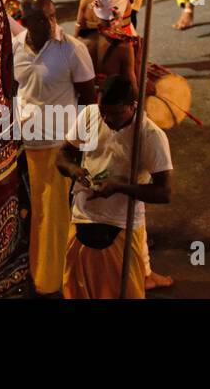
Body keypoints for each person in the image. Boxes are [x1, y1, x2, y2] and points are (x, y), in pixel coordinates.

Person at [57, 74, 173, 299]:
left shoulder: (150, 136)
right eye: (104, 112)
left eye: (116, 113)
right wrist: (74, 171)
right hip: (83, 216)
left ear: (132, 106)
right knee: (78, 291)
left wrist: (120, 187)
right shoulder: (91, 114)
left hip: (122, 223)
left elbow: (165, 192)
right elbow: (62, 156)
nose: (108, 119)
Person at [10, 0, 95, 296]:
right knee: (36, 212)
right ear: (25, 22)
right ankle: (39, 272)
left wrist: (81, 146)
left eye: (52, 16)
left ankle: (55, 278)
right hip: (28, 145)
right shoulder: (16, 48)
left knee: (56, 214)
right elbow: (15, 90)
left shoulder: (72, 49)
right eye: (41, 18)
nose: (50, 23)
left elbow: (89, 100)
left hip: (60, 145)